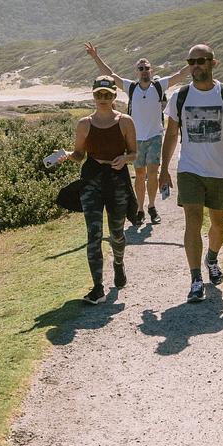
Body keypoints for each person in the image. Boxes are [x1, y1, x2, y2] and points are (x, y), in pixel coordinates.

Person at [158, 44, 223, 303]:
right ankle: (196, 279)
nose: (195, 65)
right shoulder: (180, 96)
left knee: (219, 224)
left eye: (201, 60)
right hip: (190, 170)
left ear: (213, 63)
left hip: (221, 170)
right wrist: (164, 169)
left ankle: (212, 258)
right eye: (191, 62)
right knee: (193, 220)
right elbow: (171, 134)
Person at [52, 76, 139, 304]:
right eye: (99, 94)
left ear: (114, 96)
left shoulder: (125, 121)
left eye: (107, 94)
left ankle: (118, 263)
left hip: (117, 180)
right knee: (94, 234)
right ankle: (98, 288)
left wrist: (125, 159)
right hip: (91, 179)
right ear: (93, 96)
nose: (103, 98)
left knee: (117, 233)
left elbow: (134, 153)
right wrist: (67, 156)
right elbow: (79, 155)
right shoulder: (84, 124)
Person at [84, 42, 190, 226]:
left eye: (146, 68)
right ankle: (140, 209)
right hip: (136, 139)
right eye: (141, 68)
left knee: (153, 172)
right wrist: (95, 57)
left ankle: (152, 207)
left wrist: (197, 61)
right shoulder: (131, 88)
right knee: (140, 174)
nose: (144, 71)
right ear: (137, 72)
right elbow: (111, 75)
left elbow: (180, 75)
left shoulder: (159, 86)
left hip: (155, 136)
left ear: (151, 70)